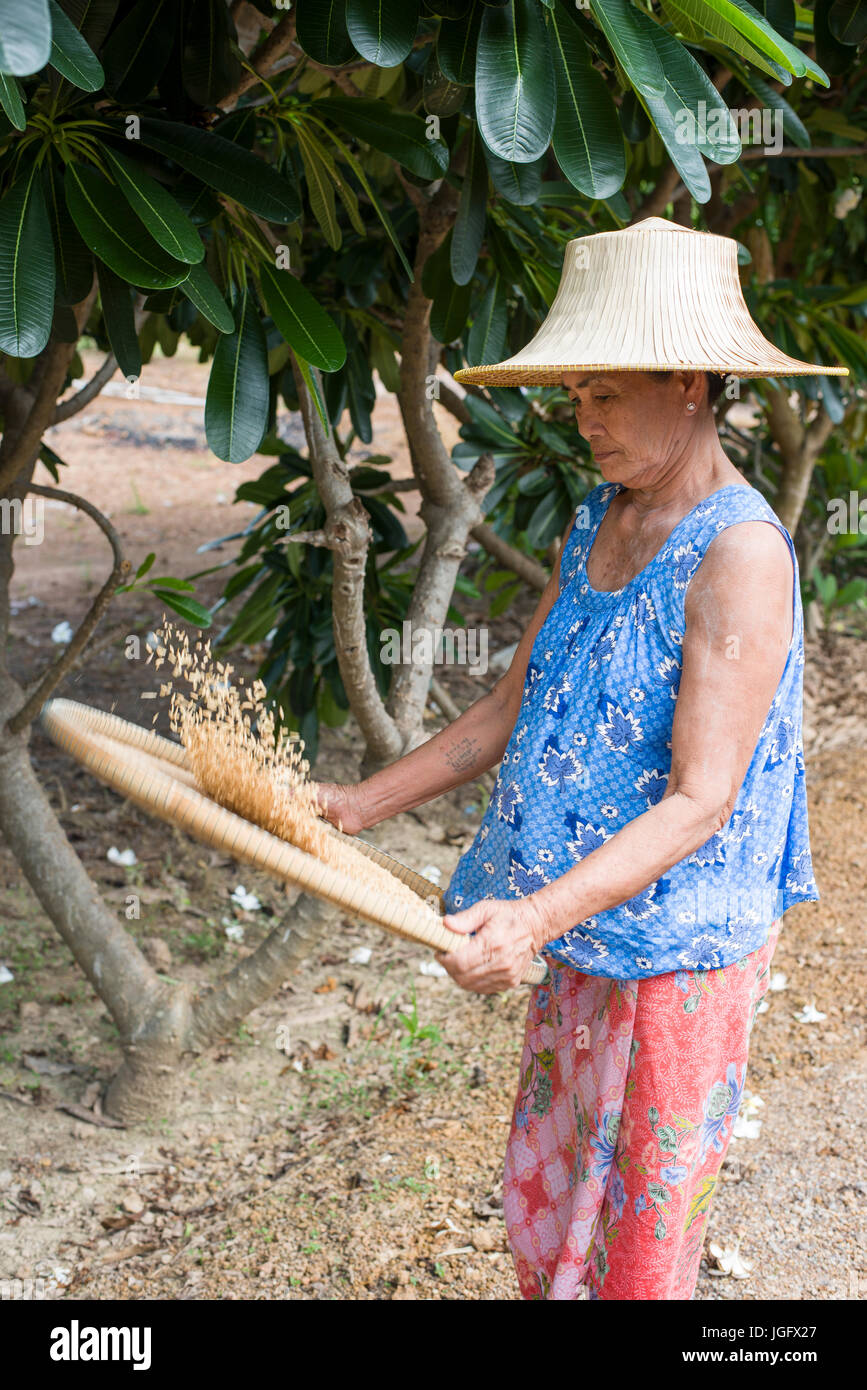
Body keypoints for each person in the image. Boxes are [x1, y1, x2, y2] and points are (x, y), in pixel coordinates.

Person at [312, 218, 846, 1300]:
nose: (579, 415)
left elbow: (702, 799)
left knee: (637, 1249)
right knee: (556, 1211)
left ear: (688, 382)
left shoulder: (739, 552)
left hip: (672, 962)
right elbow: (514, 705)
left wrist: (534, 916)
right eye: (576, 392)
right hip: (586, 930)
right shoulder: (600, 517)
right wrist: (360, 804)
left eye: (603, 391)